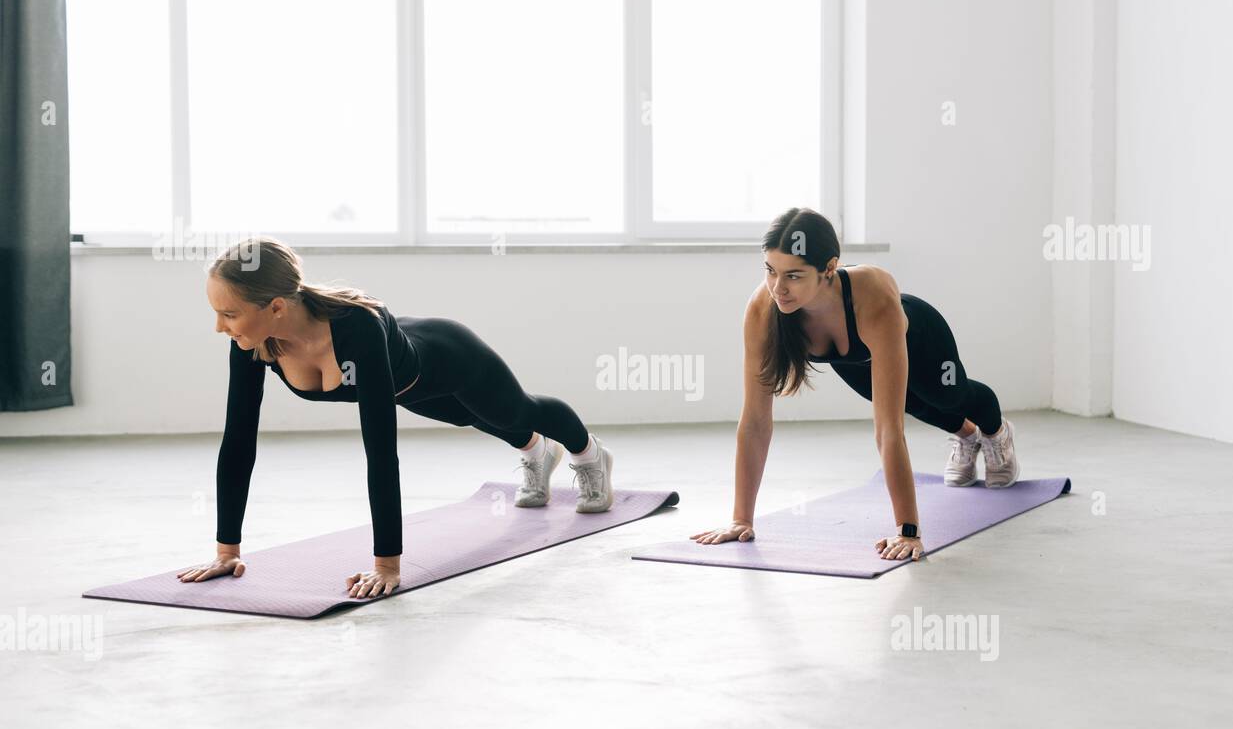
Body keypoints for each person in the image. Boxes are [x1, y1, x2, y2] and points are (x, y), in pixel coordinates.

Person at [176, 237, 613, 598]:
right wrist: (226, 551)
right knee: (474, 419)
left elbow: (380, 451)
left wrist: (386, 564)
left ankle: (589, 455)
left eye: (229, 313)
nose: (219, 327)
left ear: (275, 307)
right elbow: (238, 441)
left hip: (449, 359)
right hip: (408, 391)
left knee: (516, 410)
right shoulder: (251, 343)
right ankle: (536, 452)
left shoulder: (357, 327)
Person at [691, 207, 1019, 562]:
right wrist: (741, 520)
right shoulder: (763, 309)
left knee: (947, 396)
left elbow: (888, 430)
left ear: (829, 268)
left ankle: (996, 432)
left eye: (794, 276)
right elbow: (755, 421)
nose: (778, 288)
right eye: (770, 271)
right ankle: (967, 437)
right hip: (854, 359)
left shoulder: (873, 296)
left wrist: (908, 531)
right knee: (915, 404)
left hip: (919, 338)